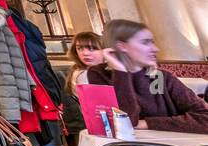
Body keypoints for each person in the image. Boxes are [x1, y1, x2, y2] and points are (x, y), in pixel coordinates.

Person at [78, 19, 208, 134]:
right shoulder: (100, 75)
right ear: (121, 46)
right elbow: (123, 121)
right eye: (146, 42)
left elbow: (205, 118)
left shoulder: (159, 77)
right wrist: (121, 71)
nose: (156, 49)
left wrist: (146, 123)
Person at [61, 31, 104, 146]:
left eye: (92, 48)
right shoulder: (83, 74)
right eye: (79, 48)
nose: (85, 53)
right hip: (87, 129)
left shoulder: (96, 72)